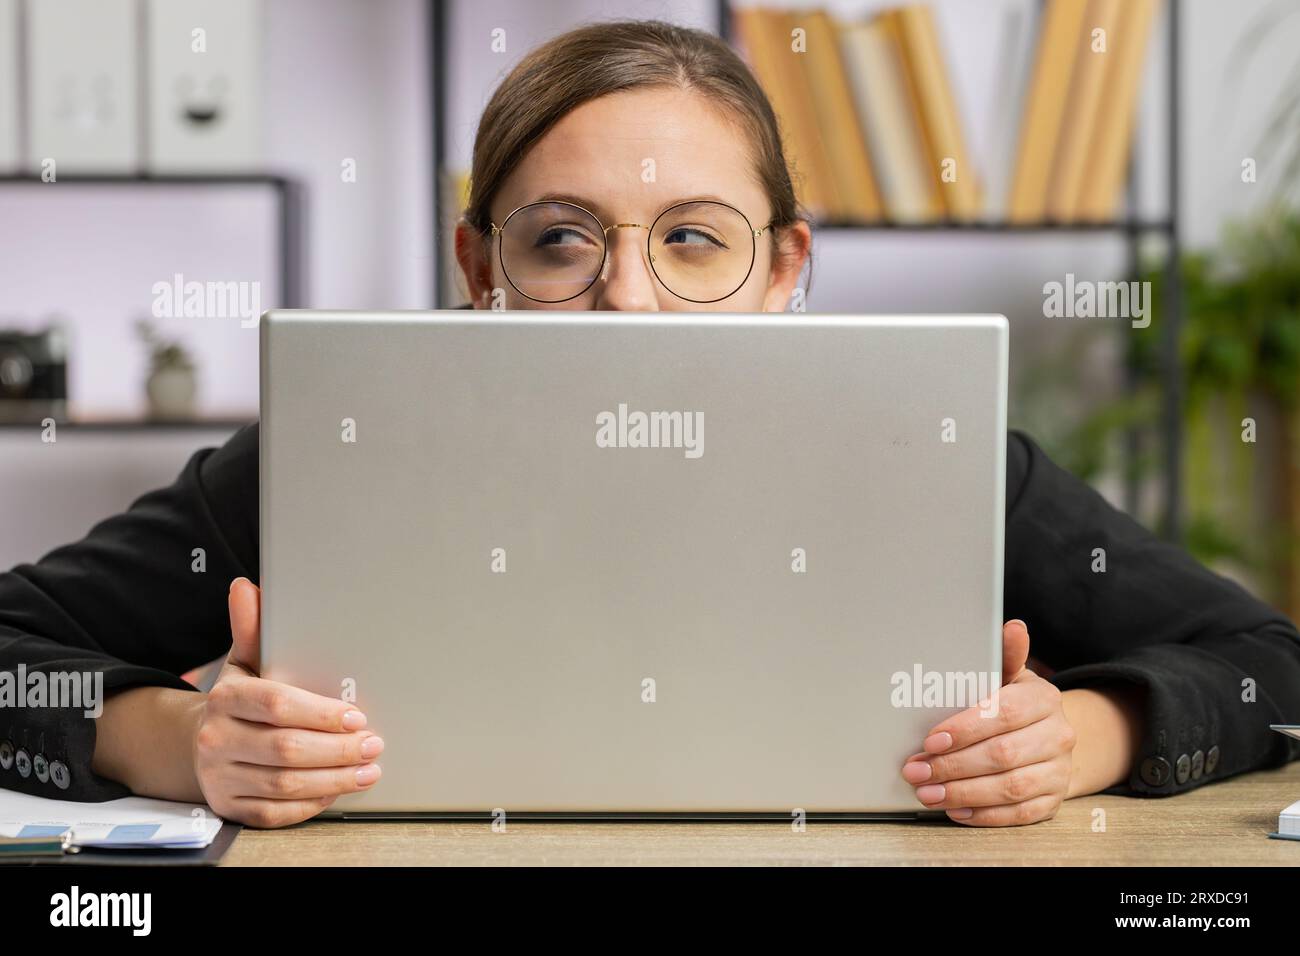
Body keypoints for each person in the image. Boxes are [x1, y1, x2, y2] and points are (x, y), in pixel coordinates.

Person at [1, 21, 1297, 829]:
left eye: (693, 239)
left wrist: (1082, 736)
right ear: (477, 265)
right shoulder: (325, 456)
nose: (626, 290)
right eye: (560, 239)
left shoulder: (938, 459)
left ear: (784, 267)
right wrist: (177, 744)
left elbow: (1263, 659)